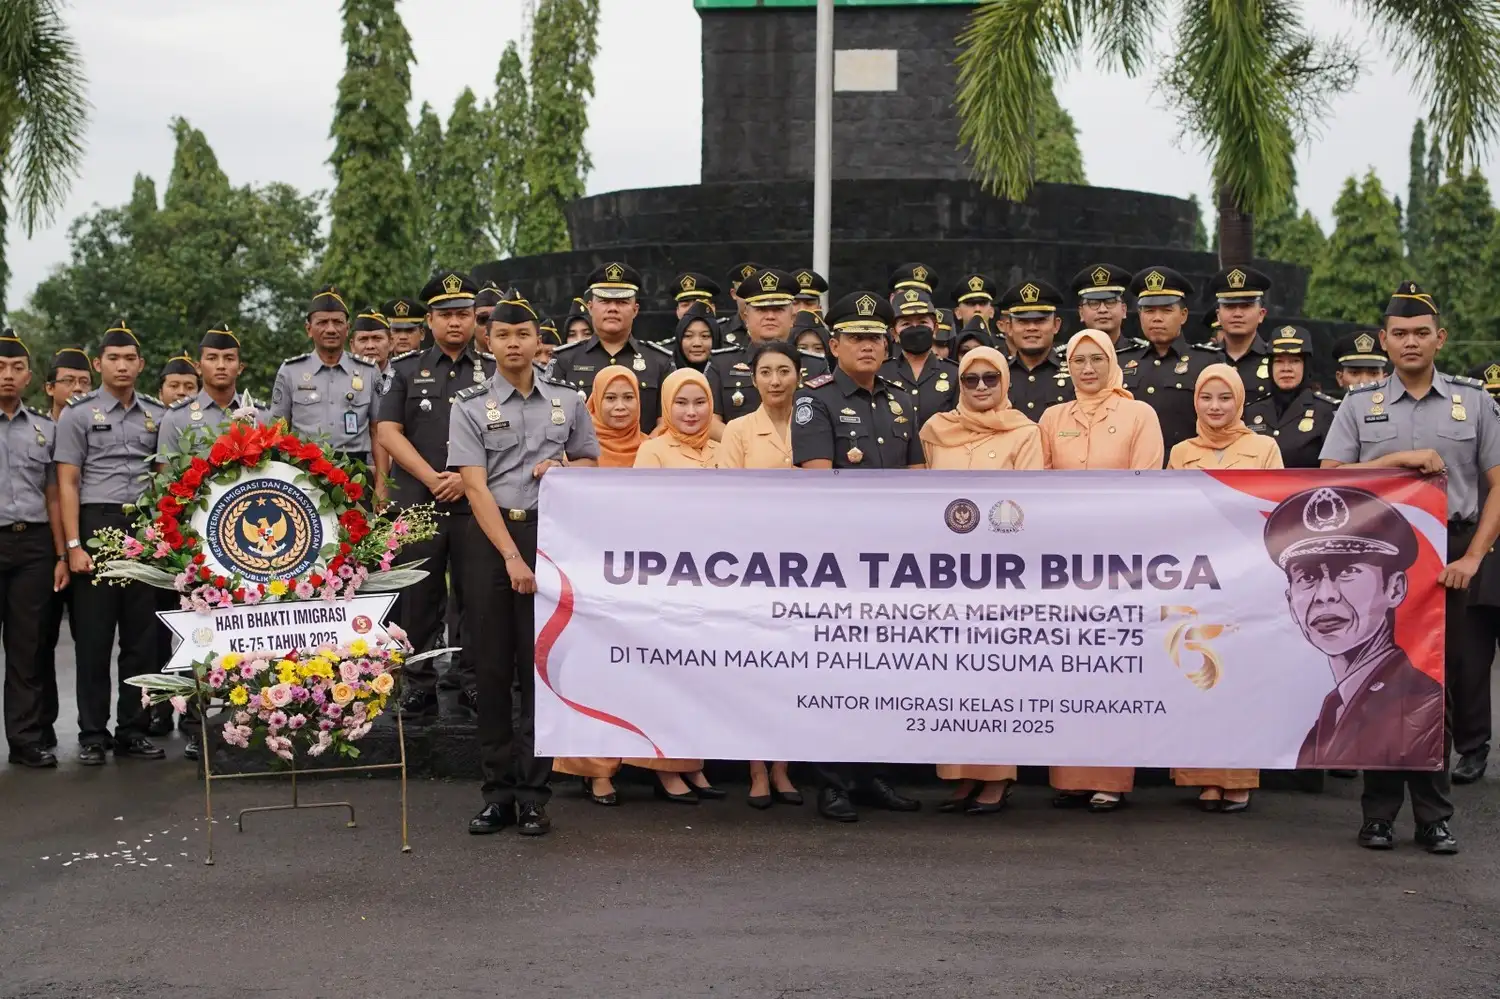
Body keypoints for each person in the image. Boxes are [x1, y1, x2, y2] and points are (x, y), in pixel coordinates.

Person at [1318, 281, 1500, 855]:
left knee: (1435, 691)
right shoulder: (1358, 404)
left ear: (1440, 338)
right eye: (1400, 334)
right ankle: (1377, 815)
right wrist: (1397, 459)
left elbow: (1498, 487)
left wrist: (1472, 557)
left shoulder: (1473, 402)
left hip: (1452, 559)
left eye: (1422, 333)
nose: (1411, 342)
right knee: (1382, 686)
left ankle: (1433, 817)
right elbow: (1330, 477)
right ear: (1384, 340)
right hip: (1379, 560)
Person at [451, 293, 600, 837]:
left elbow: (590, 459)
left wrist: (564, 464)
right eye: (504, 336)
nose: (514, 345)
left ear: (540, 342)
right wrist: (512, 555)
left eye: (524, 335)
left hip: (552, 537)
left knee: (542, 668)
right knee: (491, 670)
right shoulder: (467, 404)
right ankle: (498, 794)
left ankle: (536, 794)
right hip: (492, 538)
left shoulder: (567, 398)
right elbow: (472, 484)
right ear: (487, 343)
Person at [792, 290, 924, 822]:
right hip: (840, 558)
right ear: (834, 344)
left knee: (886, 669)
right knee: (835, 670)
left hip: (895, 561)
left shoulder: (900, 399)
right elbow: (818, 483)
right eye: (855, 337)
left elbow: (917, 482)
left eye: (874, 336)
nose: (866, 345)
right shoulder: (815, 398)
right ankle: (833, 783)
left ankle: (875, 775)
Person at [1040, 329, 1163, 810]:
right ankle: (1069, 778)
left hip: (1119, 560)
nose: (1087, 369)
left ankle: (1110, 778)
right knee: (1068, 666)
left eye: (1096, 359)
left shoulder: (1139, 414)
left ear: (1113, 362)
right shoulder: (1053, 417)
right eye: (1078, 361)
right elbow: (1041, 482)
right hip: (1065, 560)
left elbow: (1147, 482)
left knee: (1112, 667)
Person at [917, 344, 1042, 813]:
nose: (982, 387)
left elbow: (1031, 500)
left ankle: (997, 778)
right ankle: (962, 775)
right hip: (946, 571)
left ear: (1004, 382)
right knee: (952, 675)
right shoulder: (935, 430)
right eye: (971, 380)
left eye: (991, 378)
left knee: (997, 675)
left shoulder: (1024, 432)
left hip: (1002, 569)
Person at [378, 271, 496, 720]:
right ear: (429, 320)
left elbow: (505, 434)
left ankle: (471, 681)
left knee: (474, 595)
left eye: (463, 314)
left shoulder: (492, 370)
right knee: (419, 597)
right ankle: (419, 682)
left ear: (473, 319)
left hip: (475, 500)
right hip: (421, 500)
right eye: (445, 315)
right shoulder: (406, 370)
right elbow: (388, 431)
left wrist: (465, 480)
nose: (454, 323)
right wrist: (431, 476)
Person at [1166, 364, 1282, 810]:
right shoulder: (1181, 451)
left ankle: (1237, 777)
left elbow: (1273, 508)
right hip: (1195, 578)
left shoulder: (1263, 447)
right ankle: (1202, 777)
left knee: (1240, 679)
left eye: (1225, 398)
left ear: (1240, 401)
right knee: (1196, 672)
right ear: (1195, 401)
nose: (1215, 407)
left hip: (1246, 576)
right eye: (1207, 398)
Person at [54, 322, 166, 766]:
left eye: (130, 358)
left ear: (140, 365)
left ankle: (133, 729)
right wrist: (74, 545)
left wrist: (160, 535)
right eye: (113, 359)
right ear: (98, 364)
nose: (122, 366)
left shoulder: (157, 415)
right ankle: (93, 733)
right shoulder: (78, 415)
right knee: (95, 640)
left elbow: (162, 477)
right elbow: (67, 483)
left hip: (141, 529)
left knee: (141, 640)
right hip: (95, 526)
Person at [618, 370, 726, 800]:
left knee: (702, 678)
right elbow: (648, 515)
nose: (691, 412)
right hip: (671, 577)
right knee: (670, 674)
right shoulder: (653, 450)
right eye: (680, 403)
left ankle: (694, 762)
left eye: (699, 402)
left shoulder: (722, 450)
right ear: (666, 406)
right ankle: (665, 769)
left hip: (716, 579)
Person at [713, 340, 808, 806]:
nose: (775, 381)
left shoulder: (813, 422)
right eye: (766, 372)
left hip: (808, 562)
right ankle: (755, 769)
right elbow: (729, 496)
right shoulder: (738, 429)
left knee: (794, 668)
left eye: (784, 371)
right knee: (755, 668)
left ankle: (784, 767)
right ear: (753, 379)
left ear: (799, 375)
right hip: (754, 563)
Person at [551, 367, 652, 805]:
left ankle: (641, 759)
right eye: (609, 398)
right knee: (593, 672)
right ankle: (596, 771)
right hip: (593, 577)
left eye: (627, 398)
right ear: (593, 403)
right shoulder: (578, 456)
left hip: (646, 579)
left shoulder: (654, 449)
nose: (619, 407)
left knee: (639, 672)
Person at [0, 332, 65, 769]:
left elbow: (55, 495)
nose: (7, 376)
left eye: (16, 368)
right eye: (0, 368)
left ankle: (25, 741)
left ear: (28, 375)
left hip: (34, 545)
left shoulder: (46, 428)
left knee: (27, 647)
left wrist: (62, 553)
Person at [37, 348, 92, 750]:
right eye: (68, 381)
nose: (76, 388)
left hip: (90, 540)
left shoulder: (93, 423)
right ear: (49, 387)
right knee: (38, 638)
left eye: (83, 382)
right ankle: (41, 723)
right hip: (42, 545)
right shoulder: (38, 429)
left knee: (90, 636)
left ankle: (95, 726)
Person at [547, 262, 674, 432]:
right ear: (590, 307)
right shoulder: (564, 360)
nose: (613, 308)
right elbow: (553, 420)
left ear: (635, 310)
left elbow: (667, 422)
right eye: (605, 301)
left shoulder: (659, 362)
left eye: (622, 302)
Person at [270, 286, 380, 466]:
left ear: (348, 328)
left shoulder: (369, 371)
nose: (331, 329)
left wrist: (381, 483)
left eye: (337, 322)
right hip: (303, 469)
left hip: (356, 469)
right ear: (309, 328)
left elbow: (378, 431)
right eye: (322, 322)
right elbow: (277, 431)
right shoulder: (290, 371)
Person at [1120, 266, 1221, 460]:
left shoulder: (1208, 362)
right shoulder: (1122, 362)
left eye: (1166, 310)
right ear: (1140, 314)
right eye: (1149, 310)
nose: (1157, 318)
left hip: (1188, 469)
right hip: (1132, 471)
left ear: (1183, 315)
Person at [708, 268, 815, 423]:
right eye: (761, 309)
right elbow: (711, 421)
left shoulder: (815, 365)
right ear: (746, 317)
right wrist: (747, 444)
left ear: (792, 317)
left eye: (778, 309)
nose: (770, 316)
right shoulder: (721, 364)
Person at [1243, 326, 1338, 468]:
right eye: (1279, 361)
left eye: (1294, 361)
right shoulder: (1251, 411)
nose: (1286, 368)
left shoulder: (1327, 411)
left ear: (1306, 366)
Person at [883, 288, 959, 429]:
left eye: (923, 322)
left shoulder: (955, 374)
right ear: (894, 334)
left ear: (935, 328)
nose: (915, 328)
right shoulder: (880, 374)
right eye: (906, 324)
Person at [999, 279, 1074, 419]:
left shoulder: (1076, 372)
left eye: (1040, 320)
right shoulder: (997, 375)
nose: (1031, 328)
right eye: (1022, 321)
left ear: (1056, 325)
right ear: (1009, 327)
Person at [1208, 265, 1274, 403]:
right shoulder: (1201, 359)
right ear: (1218, 316)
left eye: (1246, 306)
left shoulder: (1276, 361)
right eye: (1229, 306)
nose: (1237, 314)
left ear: (1261, 314)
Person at [1070, 263, 1145, 352]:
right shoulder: (1068, 357)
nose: (1102, 310)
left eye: (1111, 302)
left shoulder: (1143, 356)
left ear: (1124, 310)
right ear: (1081, 313)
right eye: (1093, 303)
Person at [719, 261, 761, 347]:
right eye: (745, 293)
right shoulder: (718, 331)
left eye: (757, 293)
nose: (751, 299)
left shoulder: (777, 328)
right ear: (733, 294)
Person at [670, 302, 718, 373]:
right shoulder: (664, 373)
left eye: (705, 336)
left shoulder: (728, 372)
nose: (697, 344)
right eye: (688, 336)